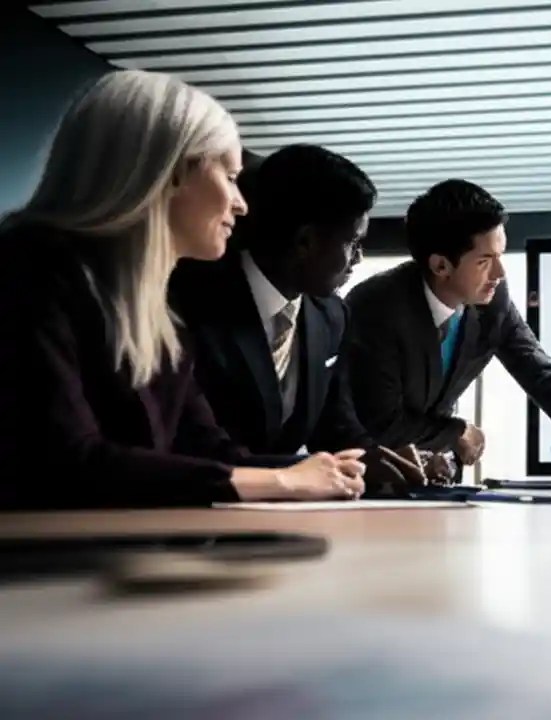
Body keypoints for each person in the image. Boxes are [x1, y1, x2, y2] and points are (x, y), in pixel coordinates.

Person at [0, 70, 367, 509]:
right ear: (168, 172)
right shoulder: (28, 268)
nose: (241, 202)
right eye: (229, 176)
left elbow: (205, 450)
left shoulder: (150, 304)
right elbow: (67, 461)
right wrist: (287, 483)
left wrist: (318, 471)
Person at [344, 179, 551, 486]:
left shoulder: (491, 299)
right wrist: (457, 432)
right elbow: (381, 420)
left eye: (501, 255)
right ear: (441, 266)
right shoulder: (376, 308)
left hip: (434, 477)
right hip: (366, 477)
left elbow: (538, 368)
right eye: (485, 261)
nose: (499, 273)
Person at [169, 144, 429, 494]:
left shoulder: (333, 316)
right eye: (352, 242)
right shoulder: (188, 299)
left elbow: (336, 426)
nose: (358, 259)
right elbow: (196, 443)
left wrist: (375, 457)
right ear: (305, 242)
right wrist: (300, 473)